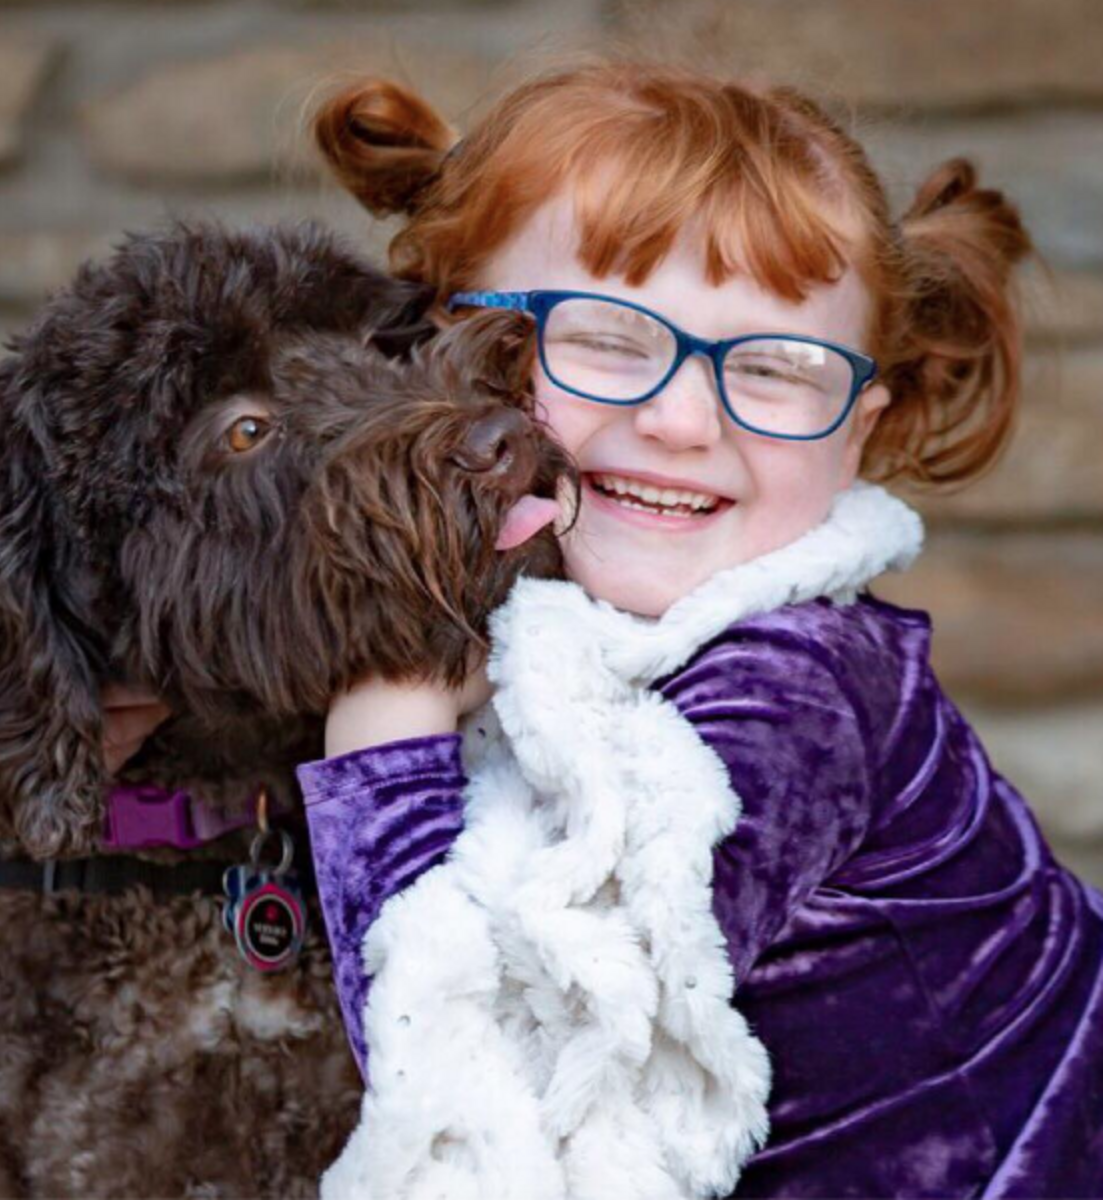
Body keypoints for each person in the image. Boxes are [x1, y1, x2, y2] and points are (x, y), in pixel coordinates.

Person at [105, 59, 1103, 1198]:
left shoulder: (795, 696)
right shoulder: (530, 596)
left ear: (857, 430)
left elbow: (494, 1108)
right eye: (606, 340)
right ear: (451, 340)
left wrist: (386, 732)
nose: (680, 419)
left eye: (776, 369)